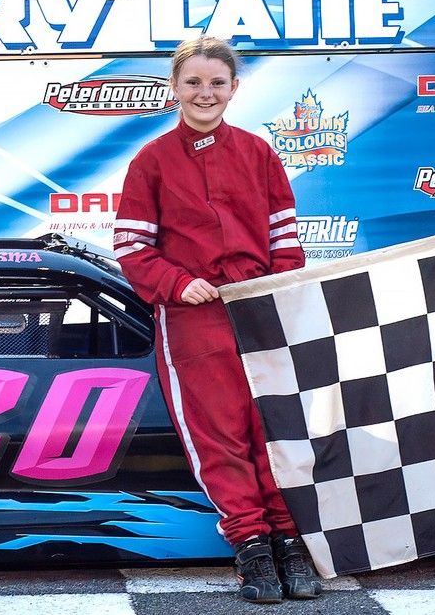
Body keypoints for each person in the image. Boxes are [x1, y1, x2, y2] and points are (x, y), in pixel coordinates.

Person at [113, 37, 322, 604]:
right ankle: (252, 544)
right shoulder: (150, 161)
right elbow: (132, 248)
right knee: (220, 434)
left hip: (261, 309)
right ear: (174, 89)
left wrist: (274, 285)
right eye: (193, 82)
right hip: (193, 317)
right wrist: (180, 284)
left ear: (235, 89)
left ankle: (289, 539)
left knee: (273, 428)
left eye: (217, 83)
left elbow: (285, 239)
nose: (205, 93)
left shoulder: (259, 153)